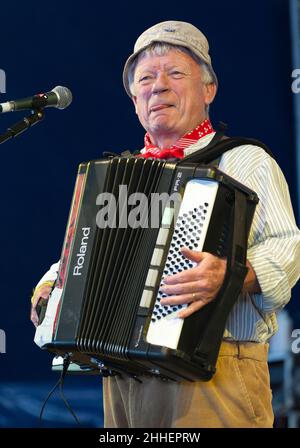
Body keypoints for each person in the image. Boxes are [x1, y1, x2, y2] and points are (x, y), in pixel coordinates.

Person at [31, 21, 300, 428]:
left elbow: (287, 246)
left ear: (209, 90)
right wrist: (50, 286)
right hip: (122, 379)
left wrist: (230, 275)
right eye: (145, 79)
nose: (158, 86)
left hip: (218, 374)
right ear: (135, 100)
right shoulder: (116, 177)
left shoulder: (245, 161)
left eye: (175, 73)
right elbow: (82, 254)